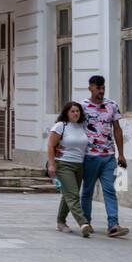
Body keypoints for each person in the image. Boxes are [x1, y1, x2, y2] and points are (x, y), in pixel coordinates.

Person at [81, 76, 130, 238]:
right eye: (98, 88)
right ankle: (86, 222)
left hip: (108, 156)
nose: (101, 91)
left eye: (103, 88)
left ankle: (113, 225)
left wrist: (121, 154)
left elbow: (117, 129)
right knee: (87, 191)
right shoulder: (82, 107)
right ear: (91, 88)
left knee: (110, 190)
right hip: (89, 157)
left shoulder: (111, 105)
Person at [47, 101, 93, 237]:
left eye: (78, 111)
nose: (75, 113)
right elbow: (50, 146)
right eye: (72, 111)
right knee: (73, 195)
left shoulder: (81, 127)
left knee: (68, 194)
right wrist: (51, 165)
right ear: (66, 113)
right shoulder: (61, 126)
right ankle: (83, 223)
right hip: (63, 164)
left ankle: (61, 221)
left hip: (79, 165)